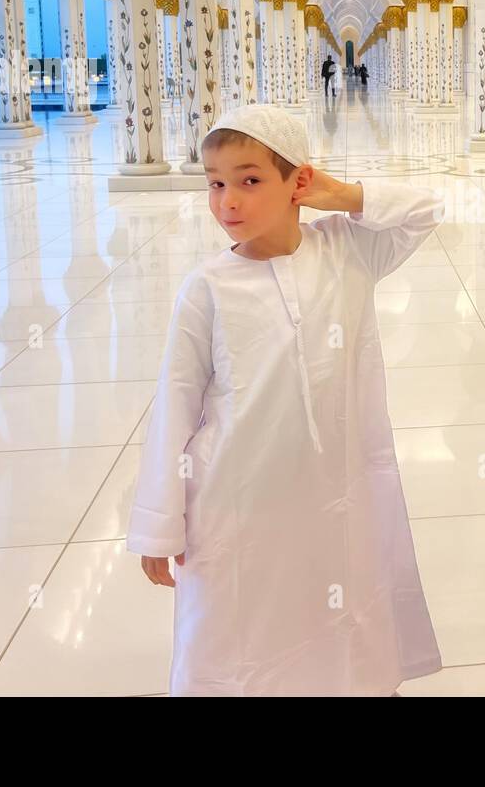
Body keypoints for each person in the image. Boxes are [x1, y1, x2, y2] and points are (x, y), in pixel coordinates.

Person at [127, 104, 443, 695]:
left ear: (297, 180)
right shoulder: (208, 288)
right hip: (235, 505)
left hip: (334, 497)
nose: (229, 202)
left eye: (250, 180)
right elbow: (174, 406)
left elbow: (425, 212)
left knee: (336, 619)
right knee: (239, 633)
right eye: (216, 184)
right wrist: (158, 527)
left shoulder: (346, 250)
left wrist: (342, 193)